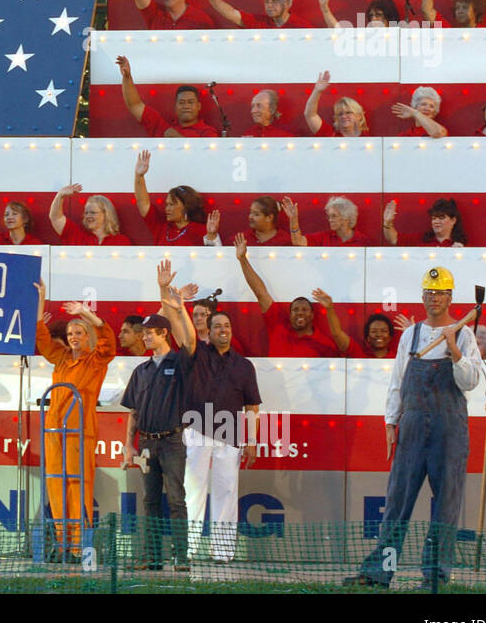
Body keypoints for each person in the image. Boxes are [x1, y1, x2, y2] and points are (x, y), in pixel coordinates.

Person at [347, 267, 482, 588]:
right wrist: (391, 422)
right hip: (411, 428)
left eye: (440, 293)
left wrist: (455, 350)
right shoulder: (411, 334)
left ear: (450, 297)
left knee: (446, 505)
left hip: (449, 431)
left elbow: (471, 381)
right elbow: (397, 381)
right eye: (429, 293)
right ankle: (380, 572)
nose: (434, 299)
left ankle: (435, 577)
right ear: (422, 297)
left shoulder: (465, 335)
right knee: (396, 503)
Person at [121, 262, 197, 571]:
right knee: (150, 502)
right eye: (144, 334)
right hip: (148, 444)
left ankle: (180, 557)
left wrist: (169, 297)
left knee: (176, 500)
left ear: (164, 333)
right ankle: (151, 557)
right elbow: (134, 412)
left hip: (172, 440)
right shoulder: (141, 370)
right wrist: (129, 445)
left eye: (150, 333)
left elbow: (190, 341)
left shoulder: (180, 362)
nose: (146, 337)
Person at [34, 279, 116, 559]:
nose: (73, 336)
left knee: (78, 486)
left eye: (78, 331)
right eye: (70, 332)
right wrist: (41, 300)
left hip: (80, 433)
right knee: (56, 487)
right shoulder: (61, 359)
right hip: (54, 431)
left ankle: (81, 545)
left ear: (87, 335)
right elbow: (43, 340)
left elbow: (108, 341)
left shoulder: (95, 361)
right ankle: (63, 545)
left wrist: (86, 314)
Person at [183, 305, 260, 562]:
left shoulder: (244, 366)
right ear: (209, 330)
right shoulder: (197, 355)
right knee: (193, 490)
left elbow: (252, 407)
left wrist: (251, 440)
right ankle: (189, 550)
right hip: (196, 430)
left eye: (226, 326)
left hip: (230, 433)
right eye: (217, 326)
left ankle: (224, 552)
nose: (223, 330)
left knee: (226, 492)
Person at [236, 233, 341, 358]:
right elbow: (260, 293)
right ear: (289, 314)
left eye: (305, 309)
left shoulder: (325, 344)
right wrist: (242, 259)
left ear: (313, 315)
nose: (300, 313)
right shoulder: (278, 326)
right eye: (295, 310)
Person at [117, 57, 217, 138]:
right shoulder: (162, 127)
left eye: (190, 102)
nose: (186, 106)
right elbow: (135, 105)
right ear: (175, 107)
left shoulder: (208, 133)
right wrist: (127, 77)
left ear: (199, 106)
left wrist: (176, 138)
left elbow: (205, 159)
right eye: (181, 102)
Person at [133, 151, 212, 246]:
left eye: (172, 204)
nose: (167, 209)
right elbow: (142, 202)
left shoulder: (201, 230)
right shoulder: (160, 226)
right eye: (167, 205)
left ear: (186, 206)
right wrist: (139, 176)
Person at [49, 184, 132, 246]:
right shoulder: (77, 235)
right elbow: (55, 218)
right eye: (86, 213)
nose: (88, 216)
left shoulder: (121, 241)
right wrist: (60, 196)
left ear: (106, 214)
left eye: (92, 212)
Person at [282, 195, 373, 247]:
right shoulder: (323, 237)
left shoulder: (364, 241)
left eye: (334, 216)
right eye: (329, 216)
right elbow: (298, 242)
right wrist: (293, 219)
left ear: (347, 217)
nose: (330, 220)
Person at [303, 72, 370, 138]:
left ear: (359, 116)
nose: (343, 116)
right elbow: (310, 115)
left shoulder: (368, 138)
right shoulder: (330, 134)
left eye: (348, 112)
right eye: (340, 114)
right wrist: (317, 91)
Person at [382, 198, 467, 247]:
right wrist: (387, 222)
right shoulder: (421, 239)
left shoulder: (460, 246)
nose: (436, 221)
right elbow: (393, 239)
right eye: (434, 218)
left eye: (441, 218)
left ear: (453, 220)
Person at [316, 0, 402, 29]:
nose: (374, 19)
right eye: (371, 15)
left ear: (389, 17)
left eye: (378, 15)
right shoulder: (366, 38)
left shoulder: (401, 37)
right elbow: (337, 29)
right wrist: (324, 8)